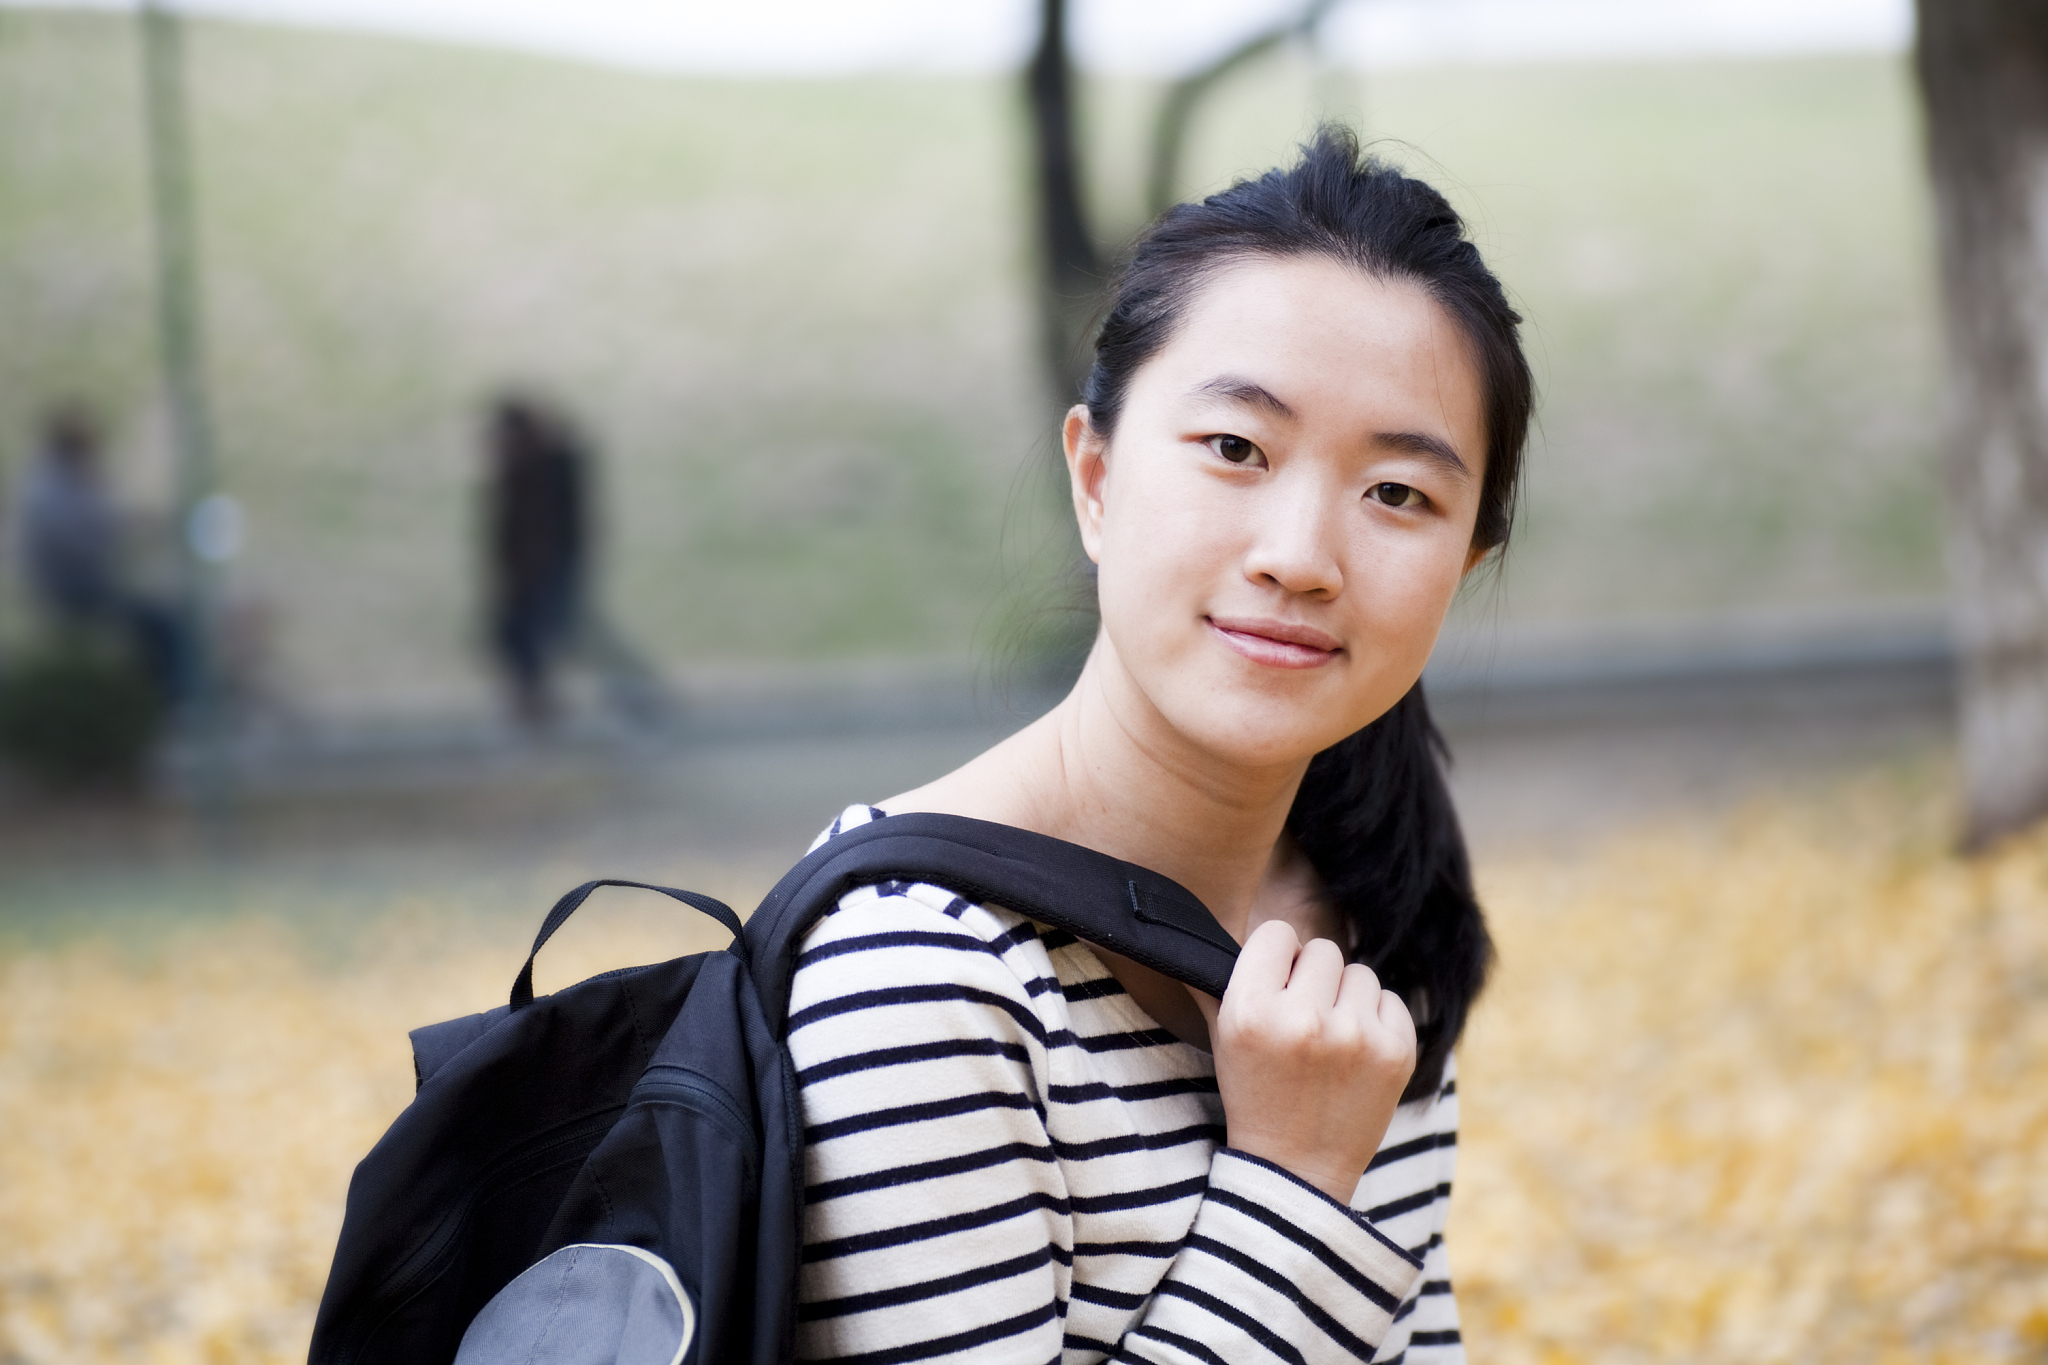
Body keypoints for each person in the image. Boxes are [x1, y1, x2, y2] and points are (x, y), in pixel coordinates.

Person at [782, 127, 1530, 1365]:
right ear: (1093, 477)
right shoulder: (920, 973)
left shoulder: (1373, 912)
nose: (1299, 554)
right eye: (1235, 449)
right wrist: (1290, 1188)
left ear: (1463, 564)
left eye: (1397, 492)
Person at [484, 396, 587, 727]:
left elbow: (540, 523)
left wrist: (530, 566)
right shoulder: (524, 465)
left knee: (528, 640)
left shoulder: (544, 465)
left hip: (541, 568)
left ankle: (538, 714)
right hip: (529, 568)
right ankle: (535, 713)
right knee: (519, 641)